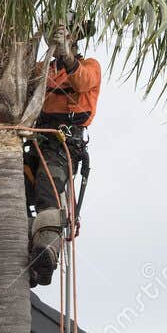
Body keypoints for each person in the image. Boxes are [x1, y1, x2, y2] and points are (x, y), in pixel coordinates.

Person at [25, 35, 101, 287]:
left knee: (48, 194)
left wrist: (67, 55)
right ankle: (23, 254)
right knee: (19, 194)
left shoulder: (90, 66)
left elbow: (82, 82)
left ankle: (47, 254)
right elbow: (23, 81)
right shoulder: (43, 70)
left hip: (62, 143)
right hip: (36, 141)